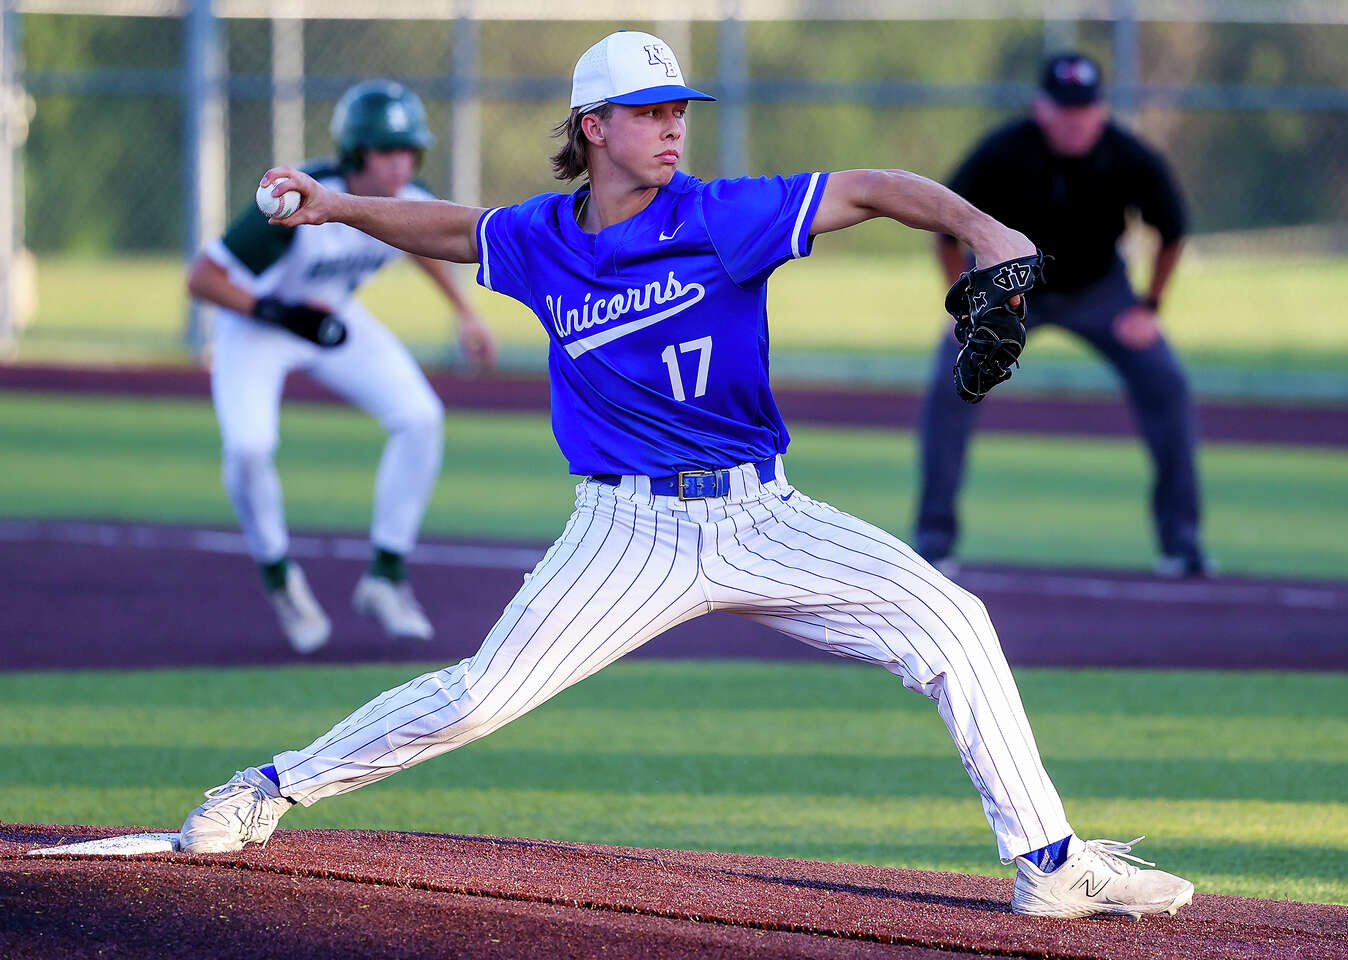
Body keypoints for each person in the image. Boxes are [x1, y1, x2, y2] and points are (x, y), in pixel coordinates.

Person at [177, 32, 1192, 920]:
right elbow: (453, 228)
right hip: (628, 533)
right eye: (649, 111)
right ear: (594, 126)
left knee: (954, 625)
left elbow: (875, 187)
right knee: (481, 697)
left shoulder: (721, 214)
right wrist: (337, 206)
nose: (673, 127)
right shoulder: (543, 239)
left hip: (763, 512)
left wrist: (985, 230)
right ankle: (267, 788)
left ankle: (1049, 864)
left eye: (679, 110)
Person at [186, 80, 496, 654]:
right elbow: (202, 279)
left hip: (333, 318)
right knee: (249, 448)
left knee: (420, 418)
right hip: (255, 326)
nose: (401, 163)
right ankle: (280, 578)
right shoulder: (298, 198)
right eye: (387, 150)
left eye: (410, 150)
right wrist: (277, 312)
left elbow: (422, 243)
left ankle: (387, 578)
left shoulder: (407, 196)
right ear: (356, 152)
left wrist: (465, 313)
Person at [915, 53, 1212, 579]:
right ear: (1041, 108)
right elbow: (943, 228)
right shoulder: (1005, 151)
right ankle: (933, 542)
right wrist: (964, 309)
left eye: (1086, 109)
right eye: (1065, 109)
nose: (1076, 121)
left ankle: (1182, 543)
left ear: (1101, 111)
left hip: (1099, 290)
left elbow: (1172, 229)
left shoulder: (1127, 155)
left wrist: (1149, 308)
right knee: (949, 384)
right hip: (1009, 290)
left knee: (1165, 381)